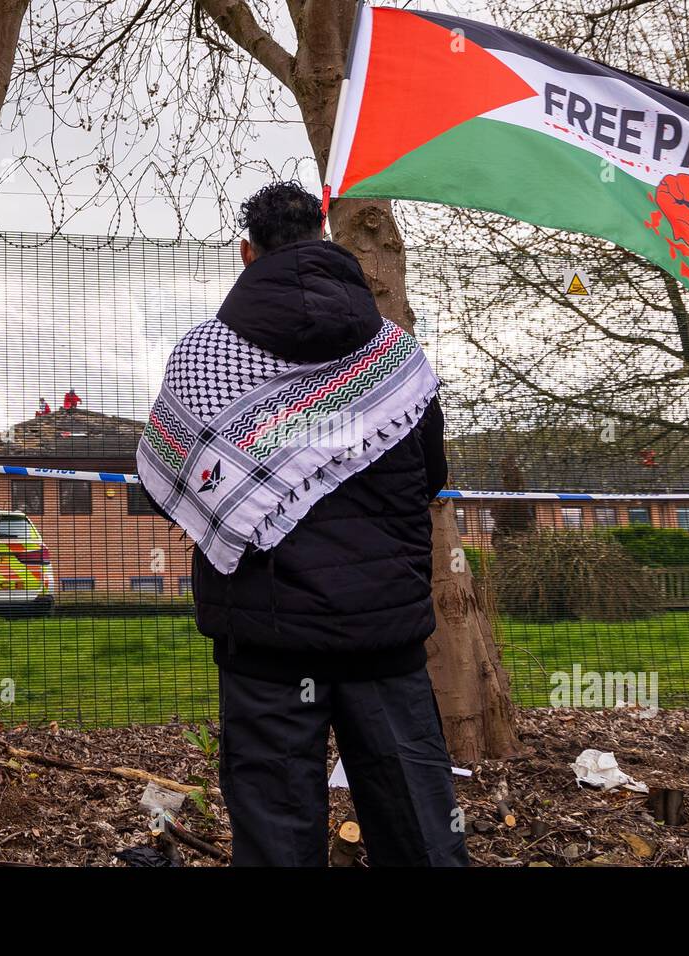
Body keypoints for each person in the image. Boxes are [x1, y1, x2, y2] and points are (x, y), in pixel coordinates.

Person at [136, 181, 466, 867]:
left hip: (267, 643)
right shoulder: (397, 357)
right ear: (326, 242)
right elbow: (431, 477)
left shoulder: (202, 360)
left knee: (278, 834)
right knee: (420, 826)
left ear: (245, 252)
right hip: (384, 635)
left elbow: (177, 484)